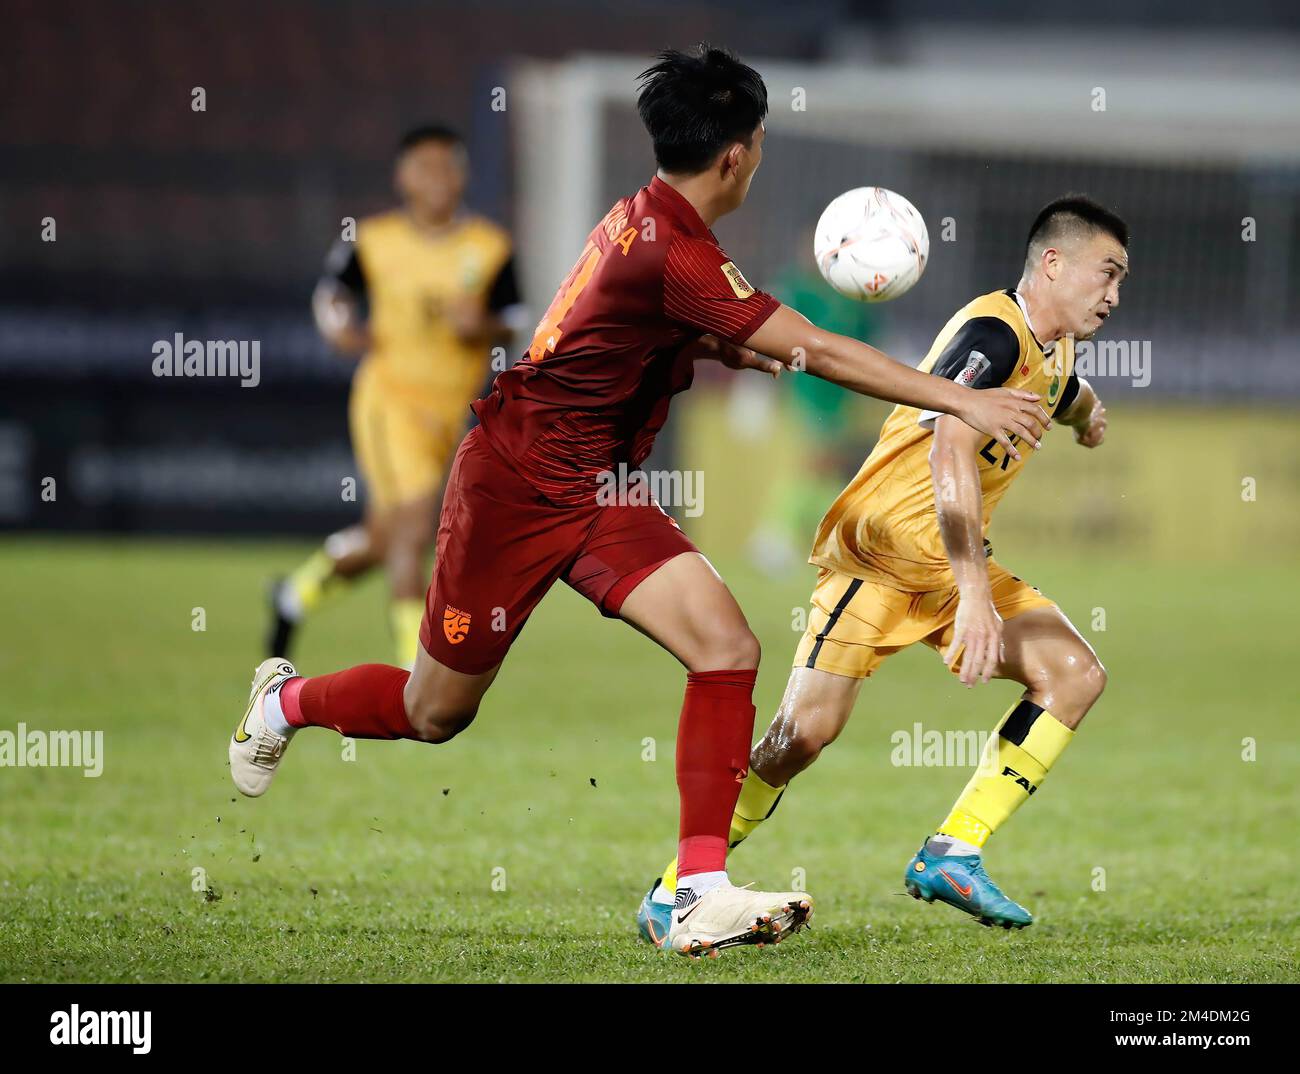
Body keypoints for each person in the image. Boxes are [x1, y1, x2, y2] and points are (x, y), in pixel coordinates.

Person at [231, 45, 1049, 959]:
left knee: (727, 645)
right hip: (511, 487)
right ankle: (285, 702)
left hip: (598, 488)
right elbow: (812, 348)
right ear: (737, 155)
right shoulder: (676, 251)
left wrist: (724, 347)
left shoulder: (649, 219)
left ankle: (693, 891)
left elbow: (661, 333)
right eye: (761, 142)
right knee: (435, 713)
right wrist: (962, 397)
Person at [638, 194, 1123, 942]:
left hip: (950, 560)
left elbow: (1059, 391)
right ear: (1053, 264)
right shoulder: (993, 331)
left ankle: (953, 850)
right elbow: (948, 448)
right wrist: (973, 594)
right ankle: (677, 889)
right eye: (1107, 273)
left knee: (1075, 674)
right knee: (802, 737)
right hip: (885, 552)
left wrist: (1087, 414)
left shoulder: (1050, 349)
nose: (1115, 294)